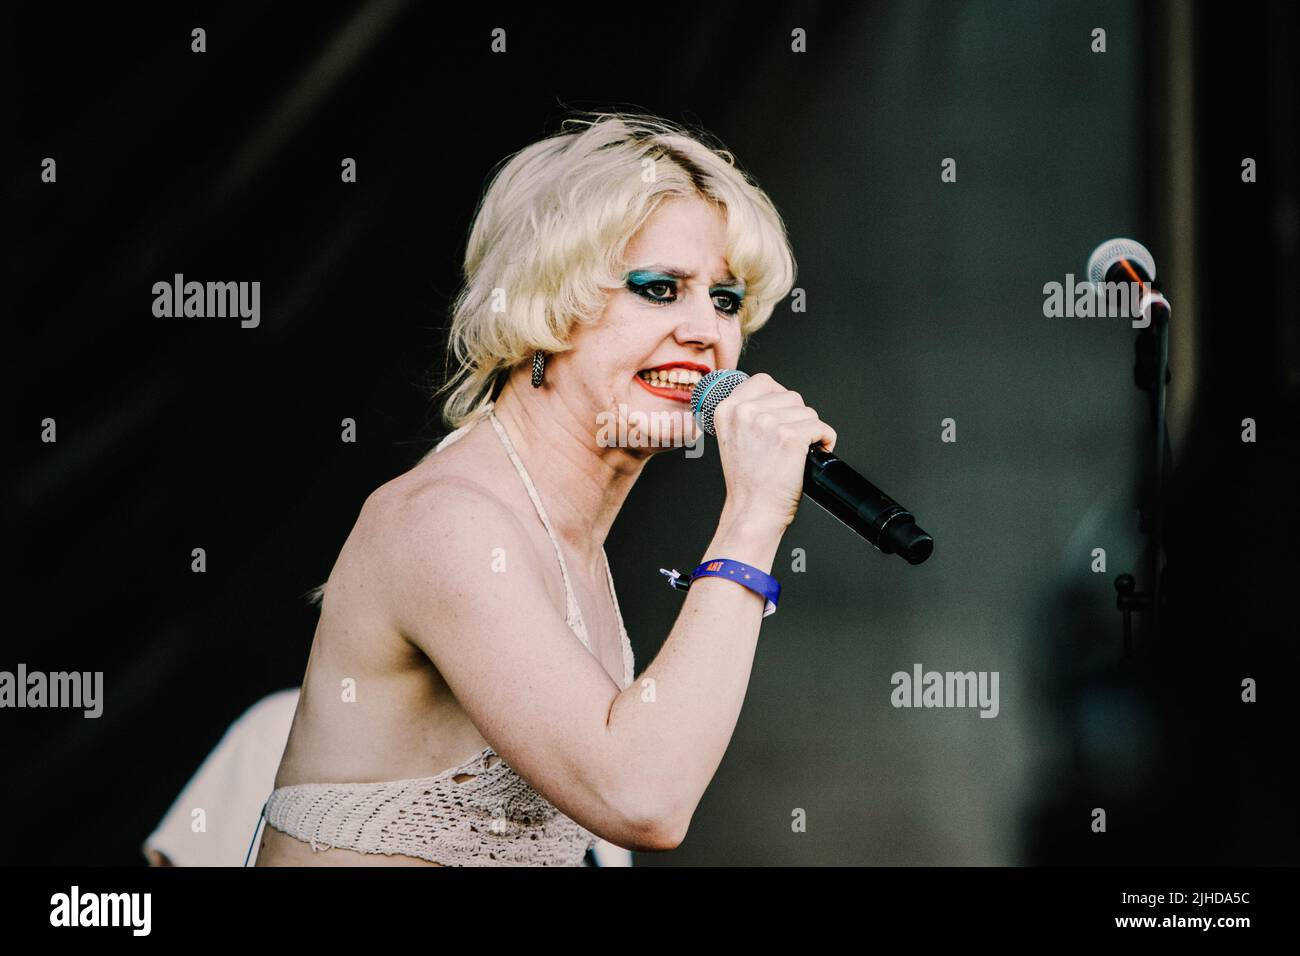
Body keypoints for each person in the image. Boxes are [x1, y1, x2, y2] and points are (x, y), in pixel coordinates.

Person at [249, 111, 835, 866]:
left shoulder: (567, 540)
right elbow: (644, 797)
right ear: (542, 306)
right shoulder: (448, 522)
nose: (705, 331)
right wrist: (753, 516)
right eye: (660, 289)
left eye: (725, 300)